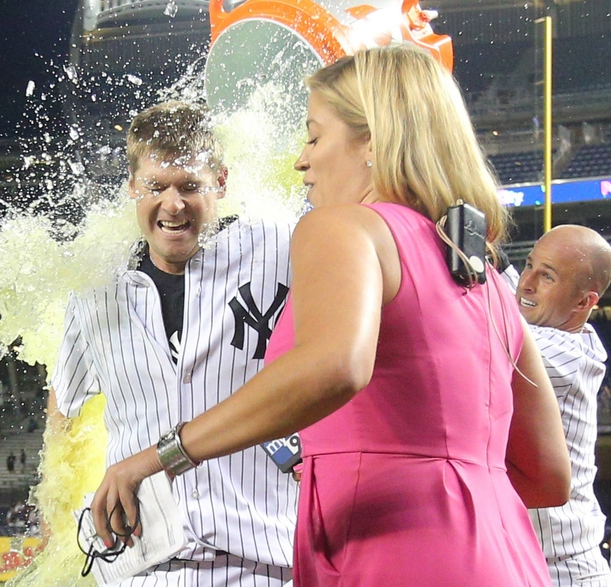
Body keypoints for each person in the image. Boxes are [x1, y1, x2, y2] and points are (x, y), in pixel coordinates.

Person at [90, 45, 570, 585]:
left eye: (315, 135)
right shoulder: (483, 276)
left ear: (372, 140)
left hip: (393, 556)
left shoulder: (344, 227)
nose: (302, 159)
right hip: (506, 557)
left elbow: (336, 367)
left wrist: (159, 457)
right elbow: (549, 476)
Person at [47, 101, 297, 585]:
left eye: (190, 186)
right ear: (132, 190)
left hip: (263, 559)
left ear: (221, 182)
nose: (173, 203)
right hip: (139, 566)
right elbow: (64, 401)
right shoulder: (96, 287)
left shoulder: (280, 247)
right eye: (155, 187)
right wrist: (52, 510)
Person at [516, 224, 611, 587]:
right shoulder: (568, 332)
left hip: (563, 572)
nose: (526, 282)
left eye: (546, 276)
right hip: (526, 563)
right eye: (528, 265)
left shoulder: (563, 353)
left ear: (583, 302)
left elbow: (477, 329)